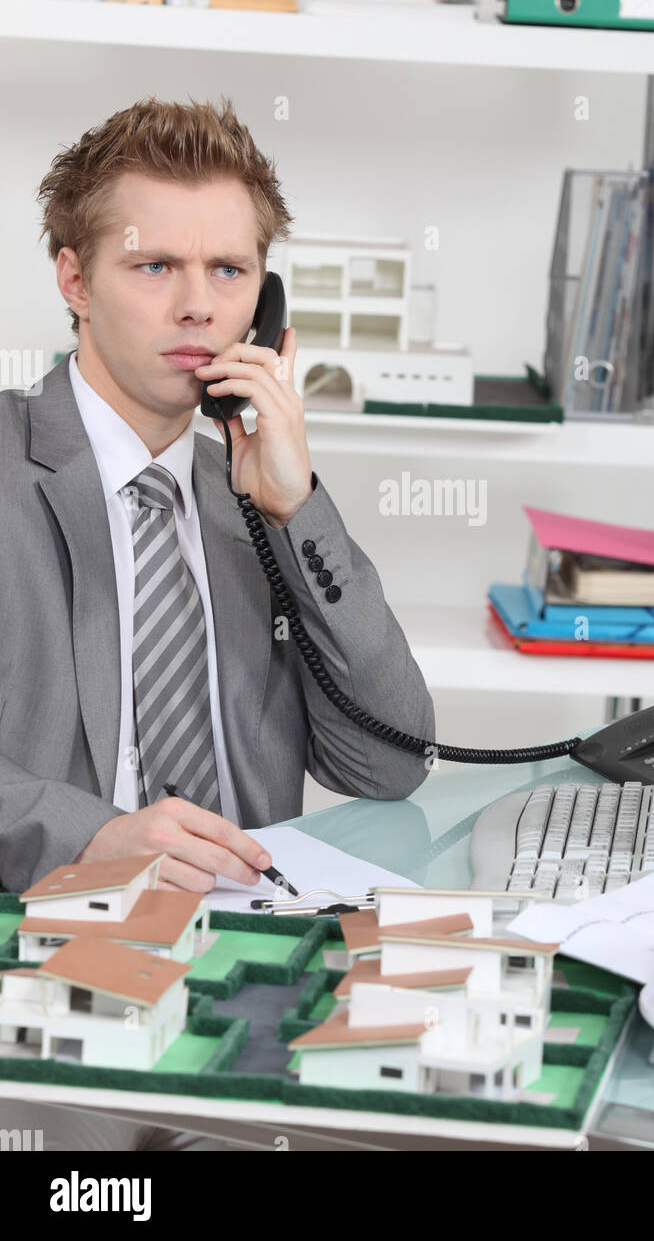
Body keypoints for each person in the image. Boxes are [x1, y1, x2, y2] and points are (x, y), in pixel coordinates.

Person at [0, 95, 435, 1148]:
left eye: (228, 273)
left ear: (262, 299)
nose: (198, 308)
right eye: (155, 268)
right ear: (74, 278)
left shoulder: (252, 500)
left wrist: (298, 504)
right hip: (50, 979)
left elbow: (389, 760)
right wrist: (92, 835)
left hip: (255, 974)